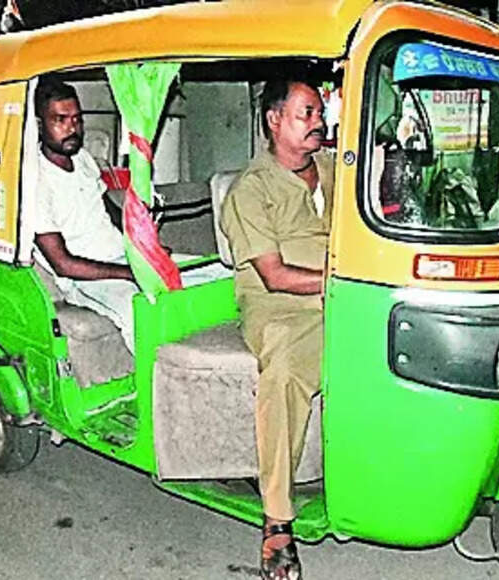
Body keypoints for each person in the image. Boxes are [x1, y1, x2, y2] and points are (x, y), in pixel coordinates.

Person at [219, 79, 333, 580]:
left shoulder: (334, 169)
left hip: (347, 297)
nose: (318, 123)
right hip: (282, 307)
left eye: (319, 114)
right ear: (274, 120)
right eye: (306, 113)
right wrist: (343, 285)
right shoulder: (253, 189)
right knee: (284, 370)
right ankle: (277, 521)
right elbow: (274, 274)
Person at [31, 77, 139, 345]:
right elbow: (63, 264)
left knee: (216, 275)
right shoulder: (33, 180)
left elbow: (108, 210)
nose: (73, 129)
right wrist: (128, 272)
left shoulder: (82, 159)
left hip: (124, 258)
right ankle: (156, 384)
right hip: (86, 280)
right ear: (39, 125)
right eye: (61, 120)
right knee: (141, 311)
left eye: (77, 120)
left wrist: (144, 246)